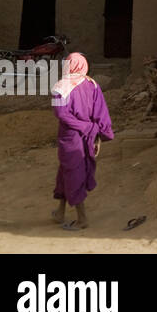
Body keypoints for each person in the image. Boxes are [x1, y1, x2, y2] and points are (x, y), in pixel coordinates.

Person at [50, 52, 114, 231]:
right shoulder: (92, 85)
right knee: (66, 170)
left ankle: (82, 219)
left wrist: (84, 127)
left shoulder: (60, 87)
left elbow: (60, 114)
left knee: (73, 172)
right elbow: (101, 113)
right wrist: (97, 133)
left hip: (70, 137)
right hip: (87, 136)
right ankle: (60, 212)